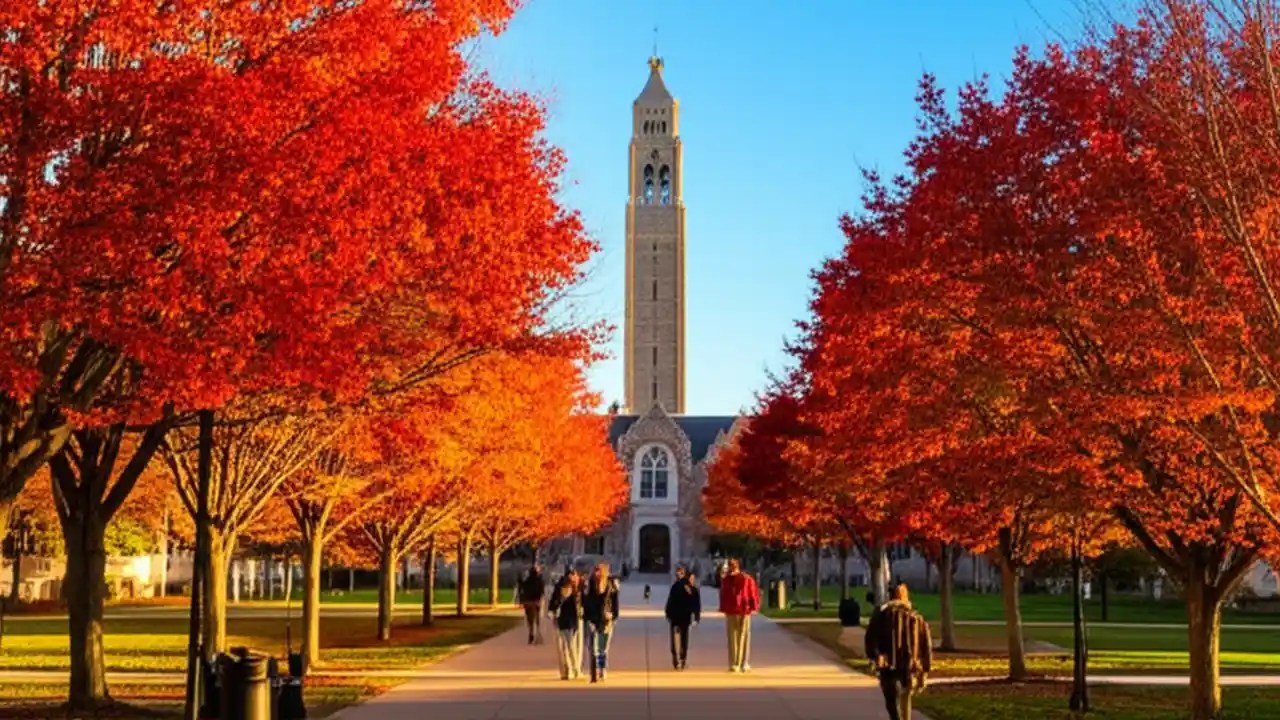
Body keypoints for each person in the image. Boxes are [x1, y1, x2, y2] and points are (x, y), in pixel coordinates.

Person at [865, 584, 932, 720]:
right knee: (905, 697)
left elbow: (871, 638)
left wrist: (875, 656)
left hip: (888, 666)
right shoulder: (917, 618)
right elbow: (926, 646)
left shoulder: (881, 616)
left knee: (892, 702)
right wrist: (925, 669)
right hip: (910, 666)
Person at [717, 558, 760, 673]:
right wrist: (754, 606)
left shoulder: (726, 580)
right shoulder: (747, 579)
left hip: (731, 611)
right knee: (744, 636)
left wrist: (723, 608)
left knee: (732, 637)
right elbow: (753, 592)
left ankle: (734, 663)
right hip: (744, 610)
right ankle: (744, 663)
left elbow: (723, 595)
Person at [581, 562, 621, 682]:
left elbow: (615, 602)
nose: (597, 572)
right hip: (592, 618)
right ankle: (594, 673)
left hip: (606, 619)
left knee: (604, 648)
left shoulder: (611, 584)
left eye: (600, 570)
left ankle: (602, 669)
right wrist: (586, 617)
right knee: (593, 648)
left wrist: (614, 616)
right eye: (596, 570)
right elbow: (585, 601)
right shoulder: (590, 585)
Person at [547, 569, 584, 680]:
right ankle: (572, 669)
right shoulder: (563, 588)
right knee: (569, 645)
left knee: (568, 645)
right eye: (573, 576)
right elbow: (553, 602)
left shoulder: (577, 588)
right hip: (566, 620)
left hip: (571, 619)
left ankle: (570, 670)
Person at [664, 565, 701, 670]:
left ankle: (678, 658)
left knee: (677, 638)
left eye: (679, 573)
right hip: (683, 616)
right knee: (683, 638)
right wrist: (696, 616)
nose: (677, 575)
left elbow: (695, 602)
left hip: (677, 616)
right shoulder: (689, 587)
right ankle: (681, 658)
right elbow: (696, 603)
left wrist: (668, 613)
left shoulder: (679, 586)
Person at [517, 563, 546, 645]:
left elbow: (522, 586)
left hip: (528, 602)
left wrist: (519, 580)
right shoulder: (540, 581)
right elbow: (542, 591)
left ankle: (531, 632)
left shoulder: (528, 581)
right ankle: (536, 633)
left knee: (530, 620)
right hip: (537, 602)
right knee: (537, 618)